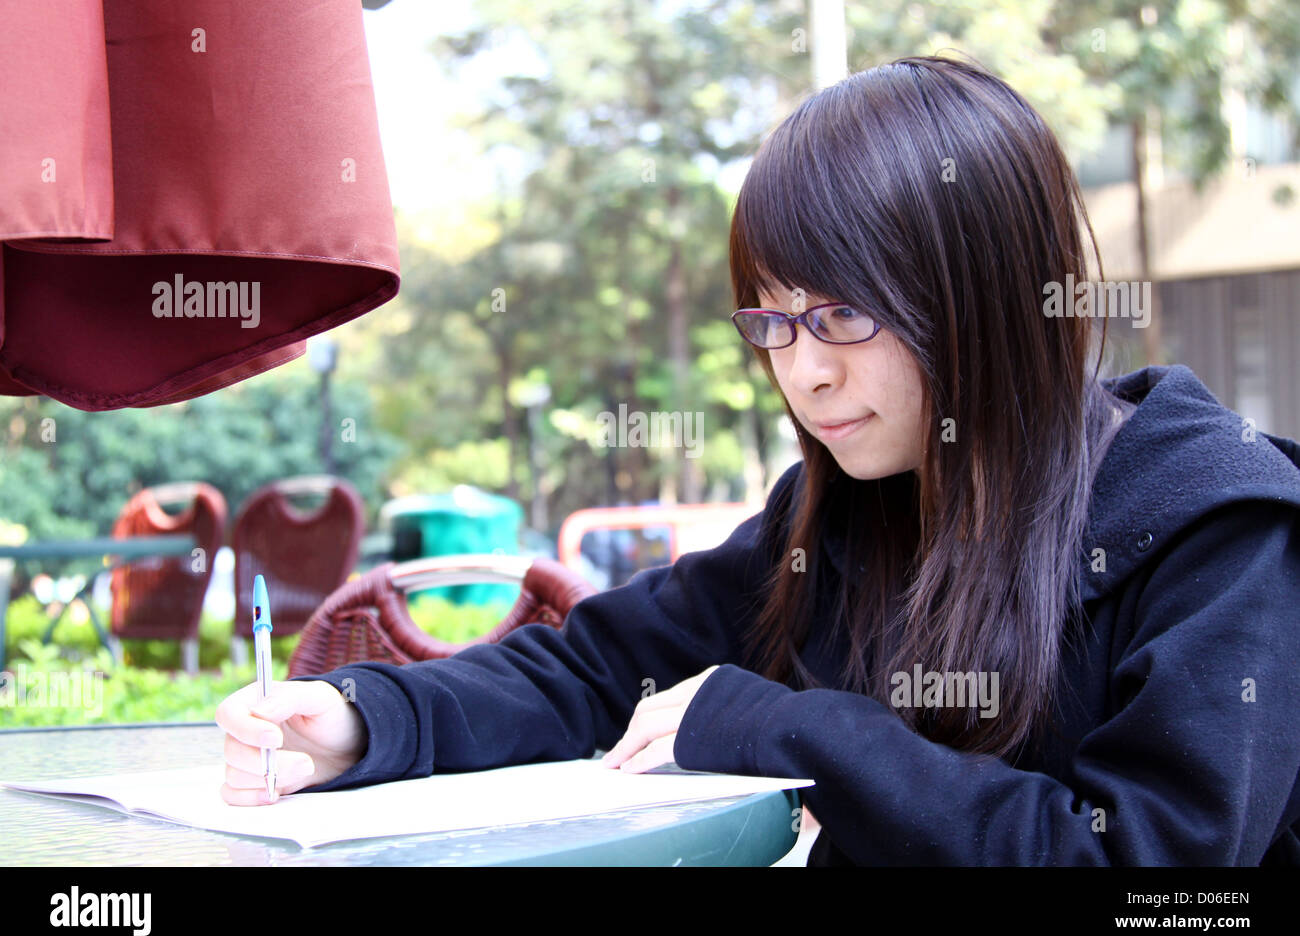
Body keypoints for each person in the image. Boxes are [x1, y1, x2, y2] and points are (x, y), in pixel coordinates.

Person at [215, 53, 1300, 865]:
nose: (804, 372)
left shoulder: (1217, 530)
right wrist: (365, 719)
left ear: (987, 298)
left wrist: (790, 723)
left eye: (841, 316)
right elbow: (601, 662)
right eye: (772, 323)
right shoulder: (847, 512)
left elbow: (1152, 869)